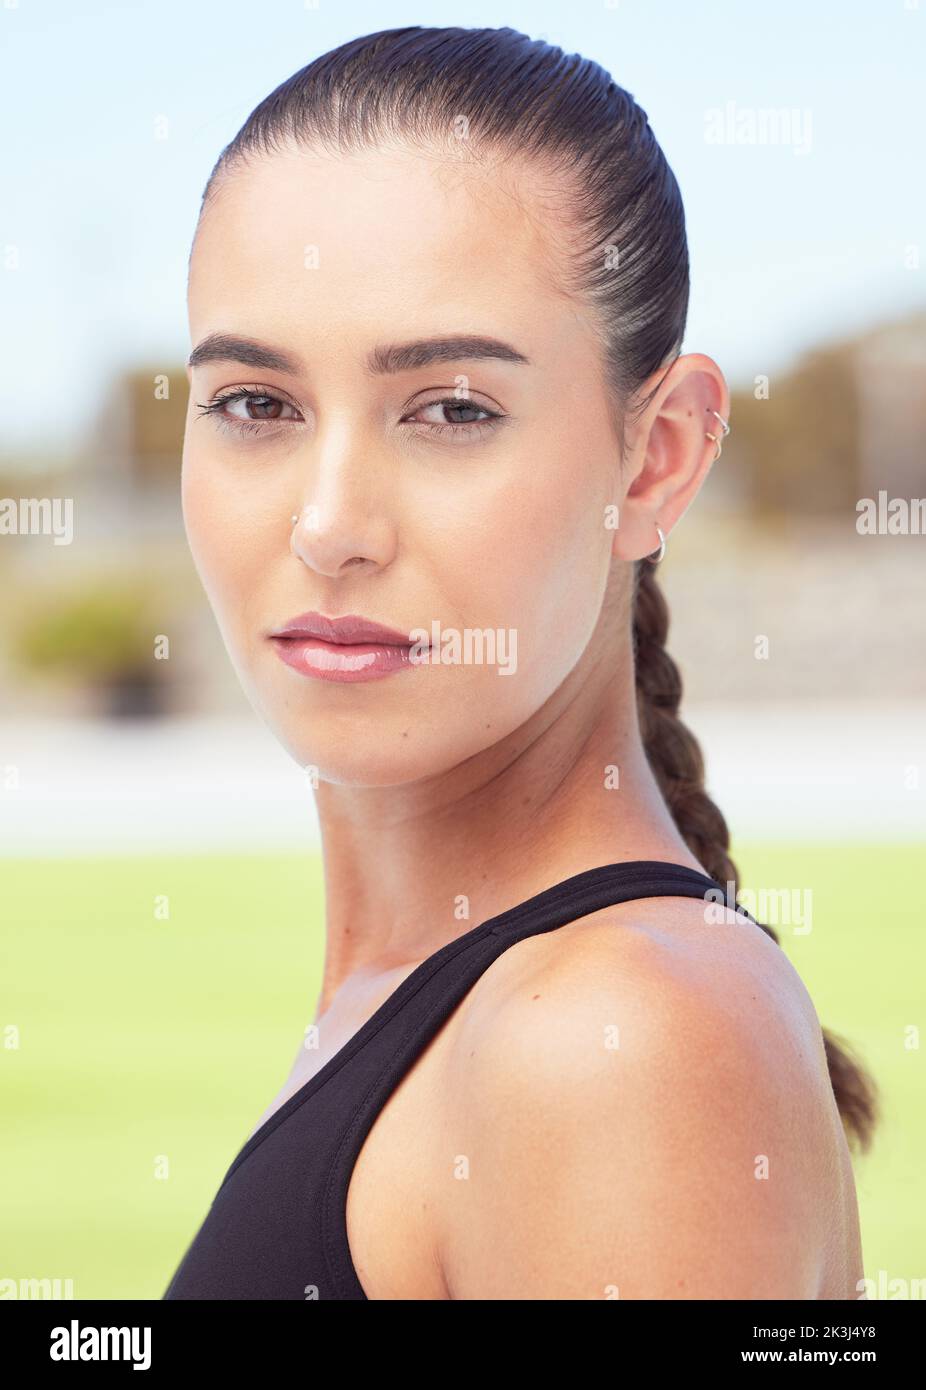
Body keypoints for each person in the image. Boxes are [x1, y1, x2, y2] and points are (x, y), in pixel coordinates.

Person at [164, 24, 877, 1300]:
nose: (327, 524)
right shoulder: (480, 1002)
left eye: (450, 410)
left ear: (655, 457)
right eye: (256, 405)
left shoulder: (614, 1044)